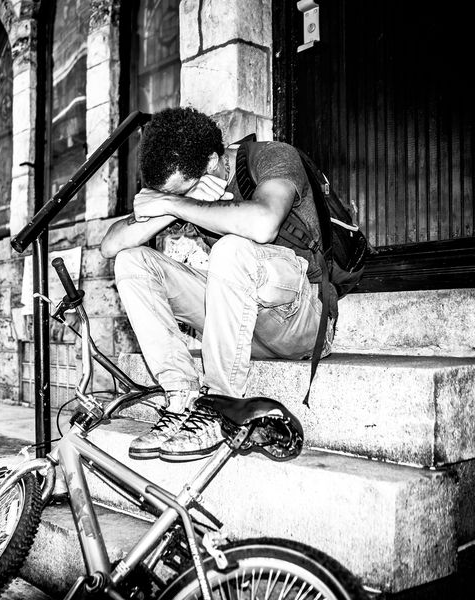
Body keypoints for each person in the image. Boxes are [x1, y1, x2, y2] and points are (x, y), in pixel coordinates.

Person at [100, 106, 335, 462]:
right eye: (168, 196)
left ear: (212, 162)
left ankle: (220, 407)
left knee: (231, 249)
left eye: (180, 193)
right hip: (241, 327)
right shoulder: (187, 195)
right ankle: (181, 400)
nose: (176, 204)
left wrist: (175, 204)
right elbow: (110, 245)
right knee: (133, 260)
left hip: (301, 322)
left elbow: (263, 224)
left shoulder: (273, 158)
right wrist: (174, 205)